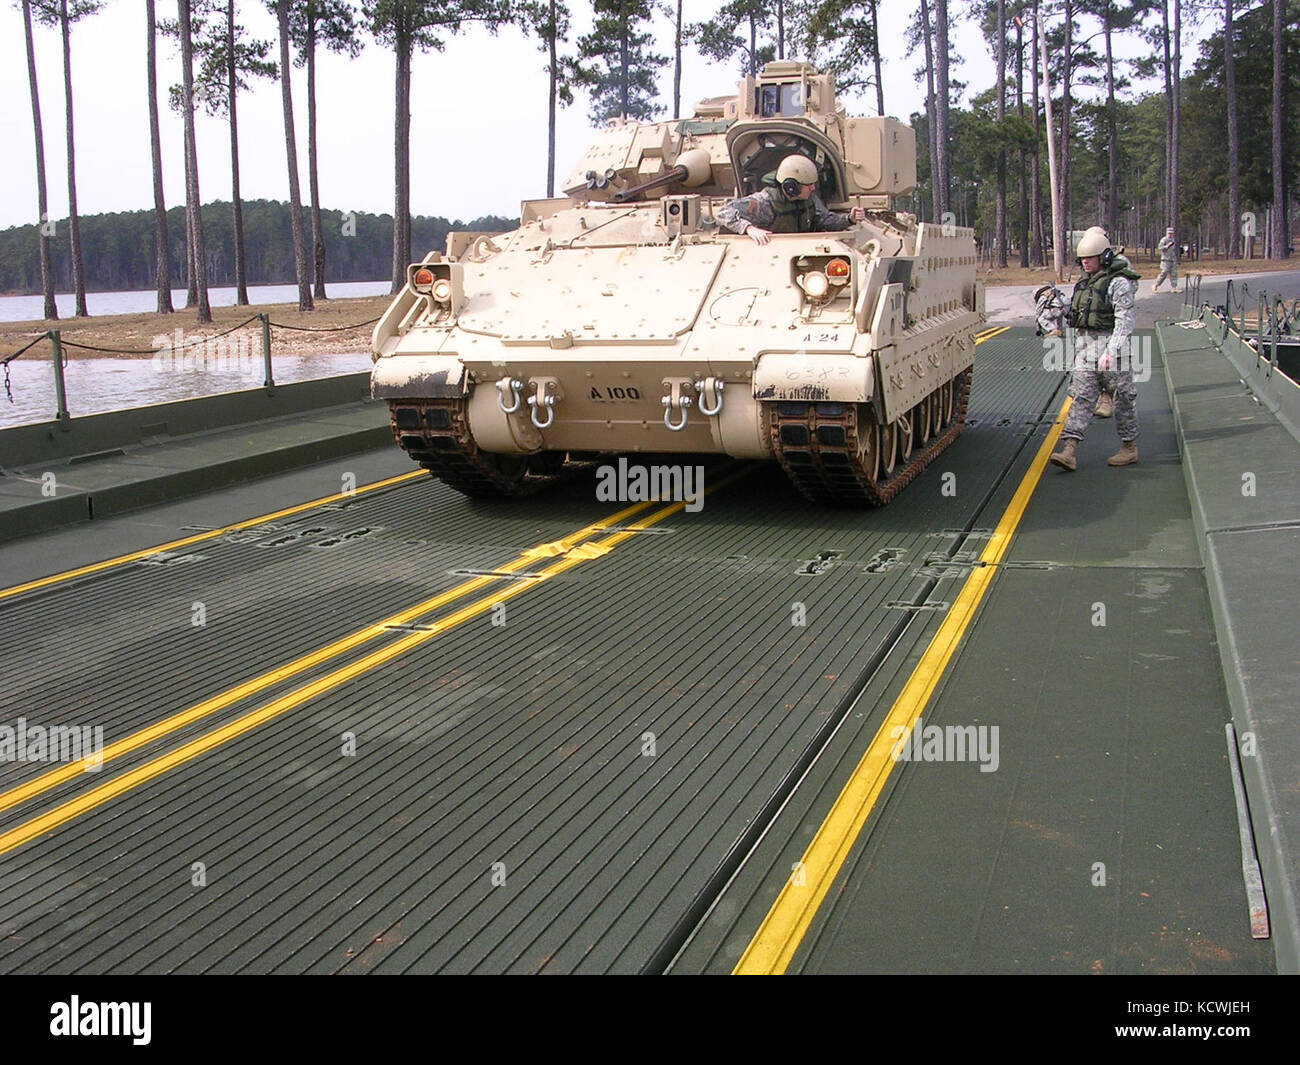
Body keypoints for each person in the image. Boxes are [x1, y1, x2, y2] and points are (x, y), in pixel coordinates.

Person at [1049, 229, 1142, 471]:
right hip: (1086, 350)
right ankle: (1069, 450)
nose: (1085, 262)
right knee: (1081, 398)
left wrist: (1112, 351)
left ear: (1104, 257)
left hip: (1114, 352)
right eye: (1082, 259)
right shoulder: (1084, 282)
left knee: (1123, 401)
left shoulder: (1119, 284)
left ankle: (1129, 448)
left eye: (1090, 258)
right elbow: (1079, 311)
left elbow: (1125, 320)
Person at [716, 154, 866, 245]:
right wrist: (749, 229)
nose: (813, 189)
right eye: (808, 185)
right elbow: (724, 212)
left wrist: (849, 219)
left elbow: (825, 220)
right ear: (791, 187)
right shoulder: (764, 202)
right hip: (770, 251)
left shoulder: (810, 201)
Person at [1153, 227, 1179, 292]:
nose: (1170, 235)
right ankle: (1156, 285)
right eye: (1169, 233)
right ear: (1167, 233)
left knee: (1174, 273)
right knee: (1164, 273)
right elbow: (1160, 247)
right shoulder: (1164, 239)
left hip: (1172, 259)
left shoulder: (1173, 240)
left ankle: (1174, 287)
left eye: (1171, 233)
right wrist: (1167, 246)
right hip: (1165, 259)